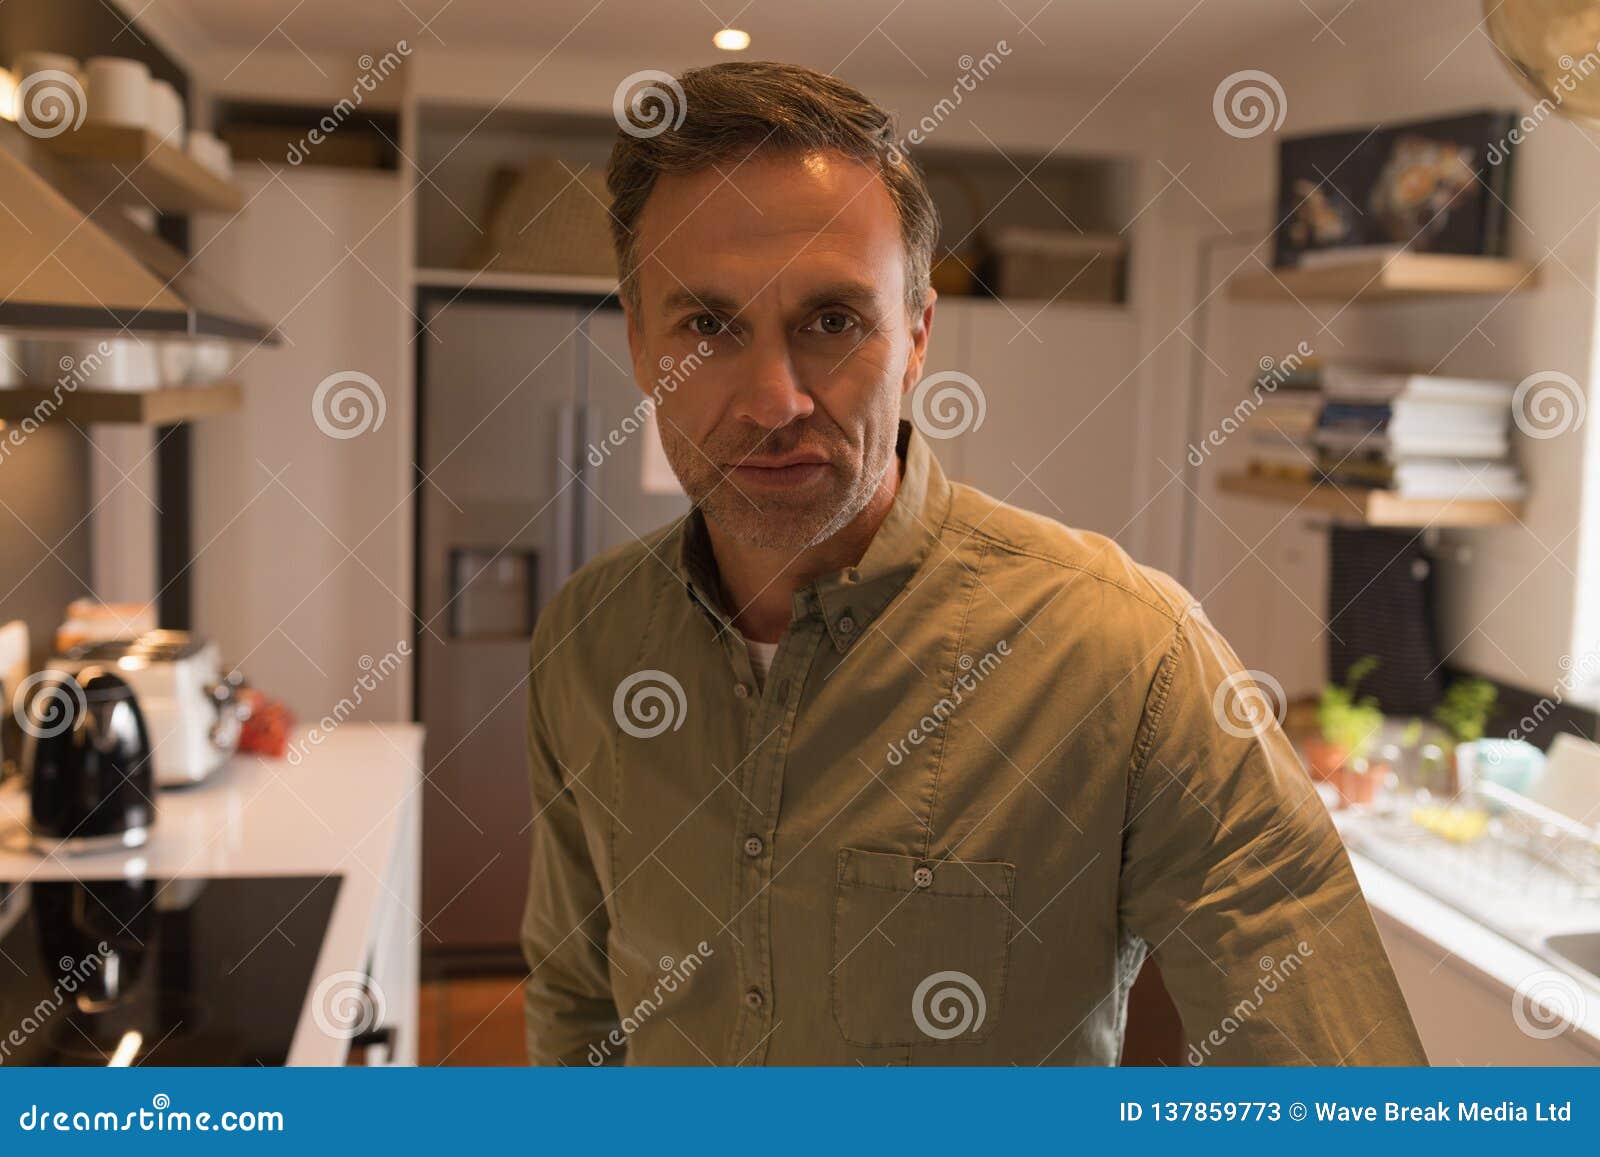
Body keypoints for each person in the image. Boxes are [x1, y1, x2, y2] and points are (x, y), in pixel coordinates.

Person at [520, 60, 1426, 1066]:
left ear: (913, 335)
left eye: (831, 320)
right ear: (642, 344)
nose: (773, 400)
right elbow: (578, 998)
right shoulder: (589, 635)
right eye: (707, 324)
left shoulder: (1129, 660)